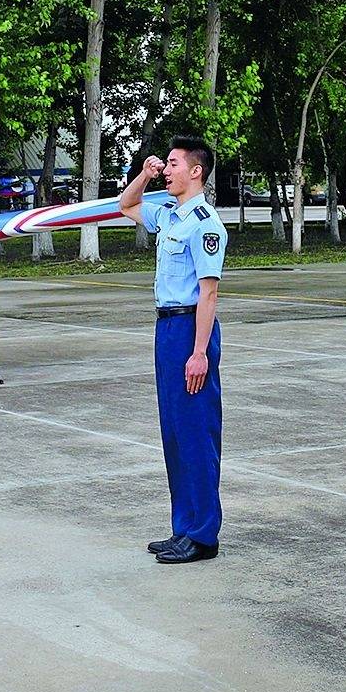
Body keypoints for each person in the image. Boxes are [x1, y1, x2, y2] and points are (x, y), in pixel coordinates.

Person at [120, 138, 231, 565]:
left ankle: (203, 535)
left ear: (196, 171)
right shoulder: (169, 214)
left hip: (190, 329)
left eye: (171, 164)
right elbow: (125, 206)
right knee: (173, 433)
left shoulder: (205, 223)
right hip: (166, 327)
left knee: (196, 432)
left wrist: (199, 351)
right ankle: (183, 526)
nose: (166, 170)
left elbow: (209, 294)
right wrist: (144, 175)